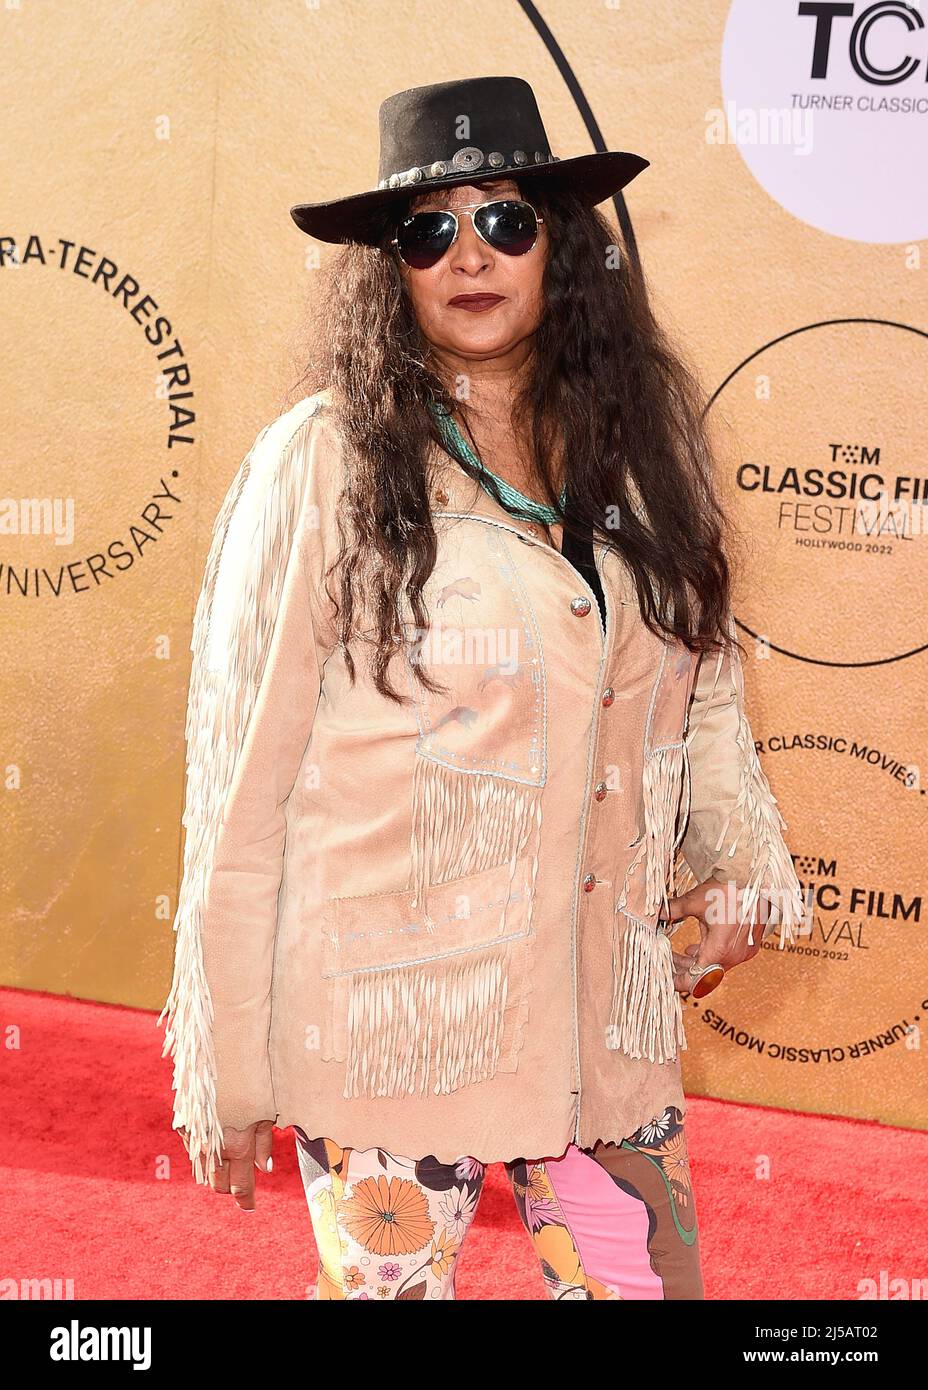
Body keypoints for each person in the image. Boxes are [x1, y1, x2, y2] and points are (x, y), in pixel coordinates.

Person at [159, 75, 806, 1301]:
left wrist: (732, 856)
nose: (471, 254)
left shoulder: (637, 447)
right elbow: (243, 781)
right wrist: (230, 1063)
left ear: (559, 248)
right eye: (429, 230)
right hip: (394, 1031)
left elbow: (700, 681)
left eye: (507, 219)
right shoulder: (325, 461)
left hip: (601, 1020)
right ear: (387, 267)